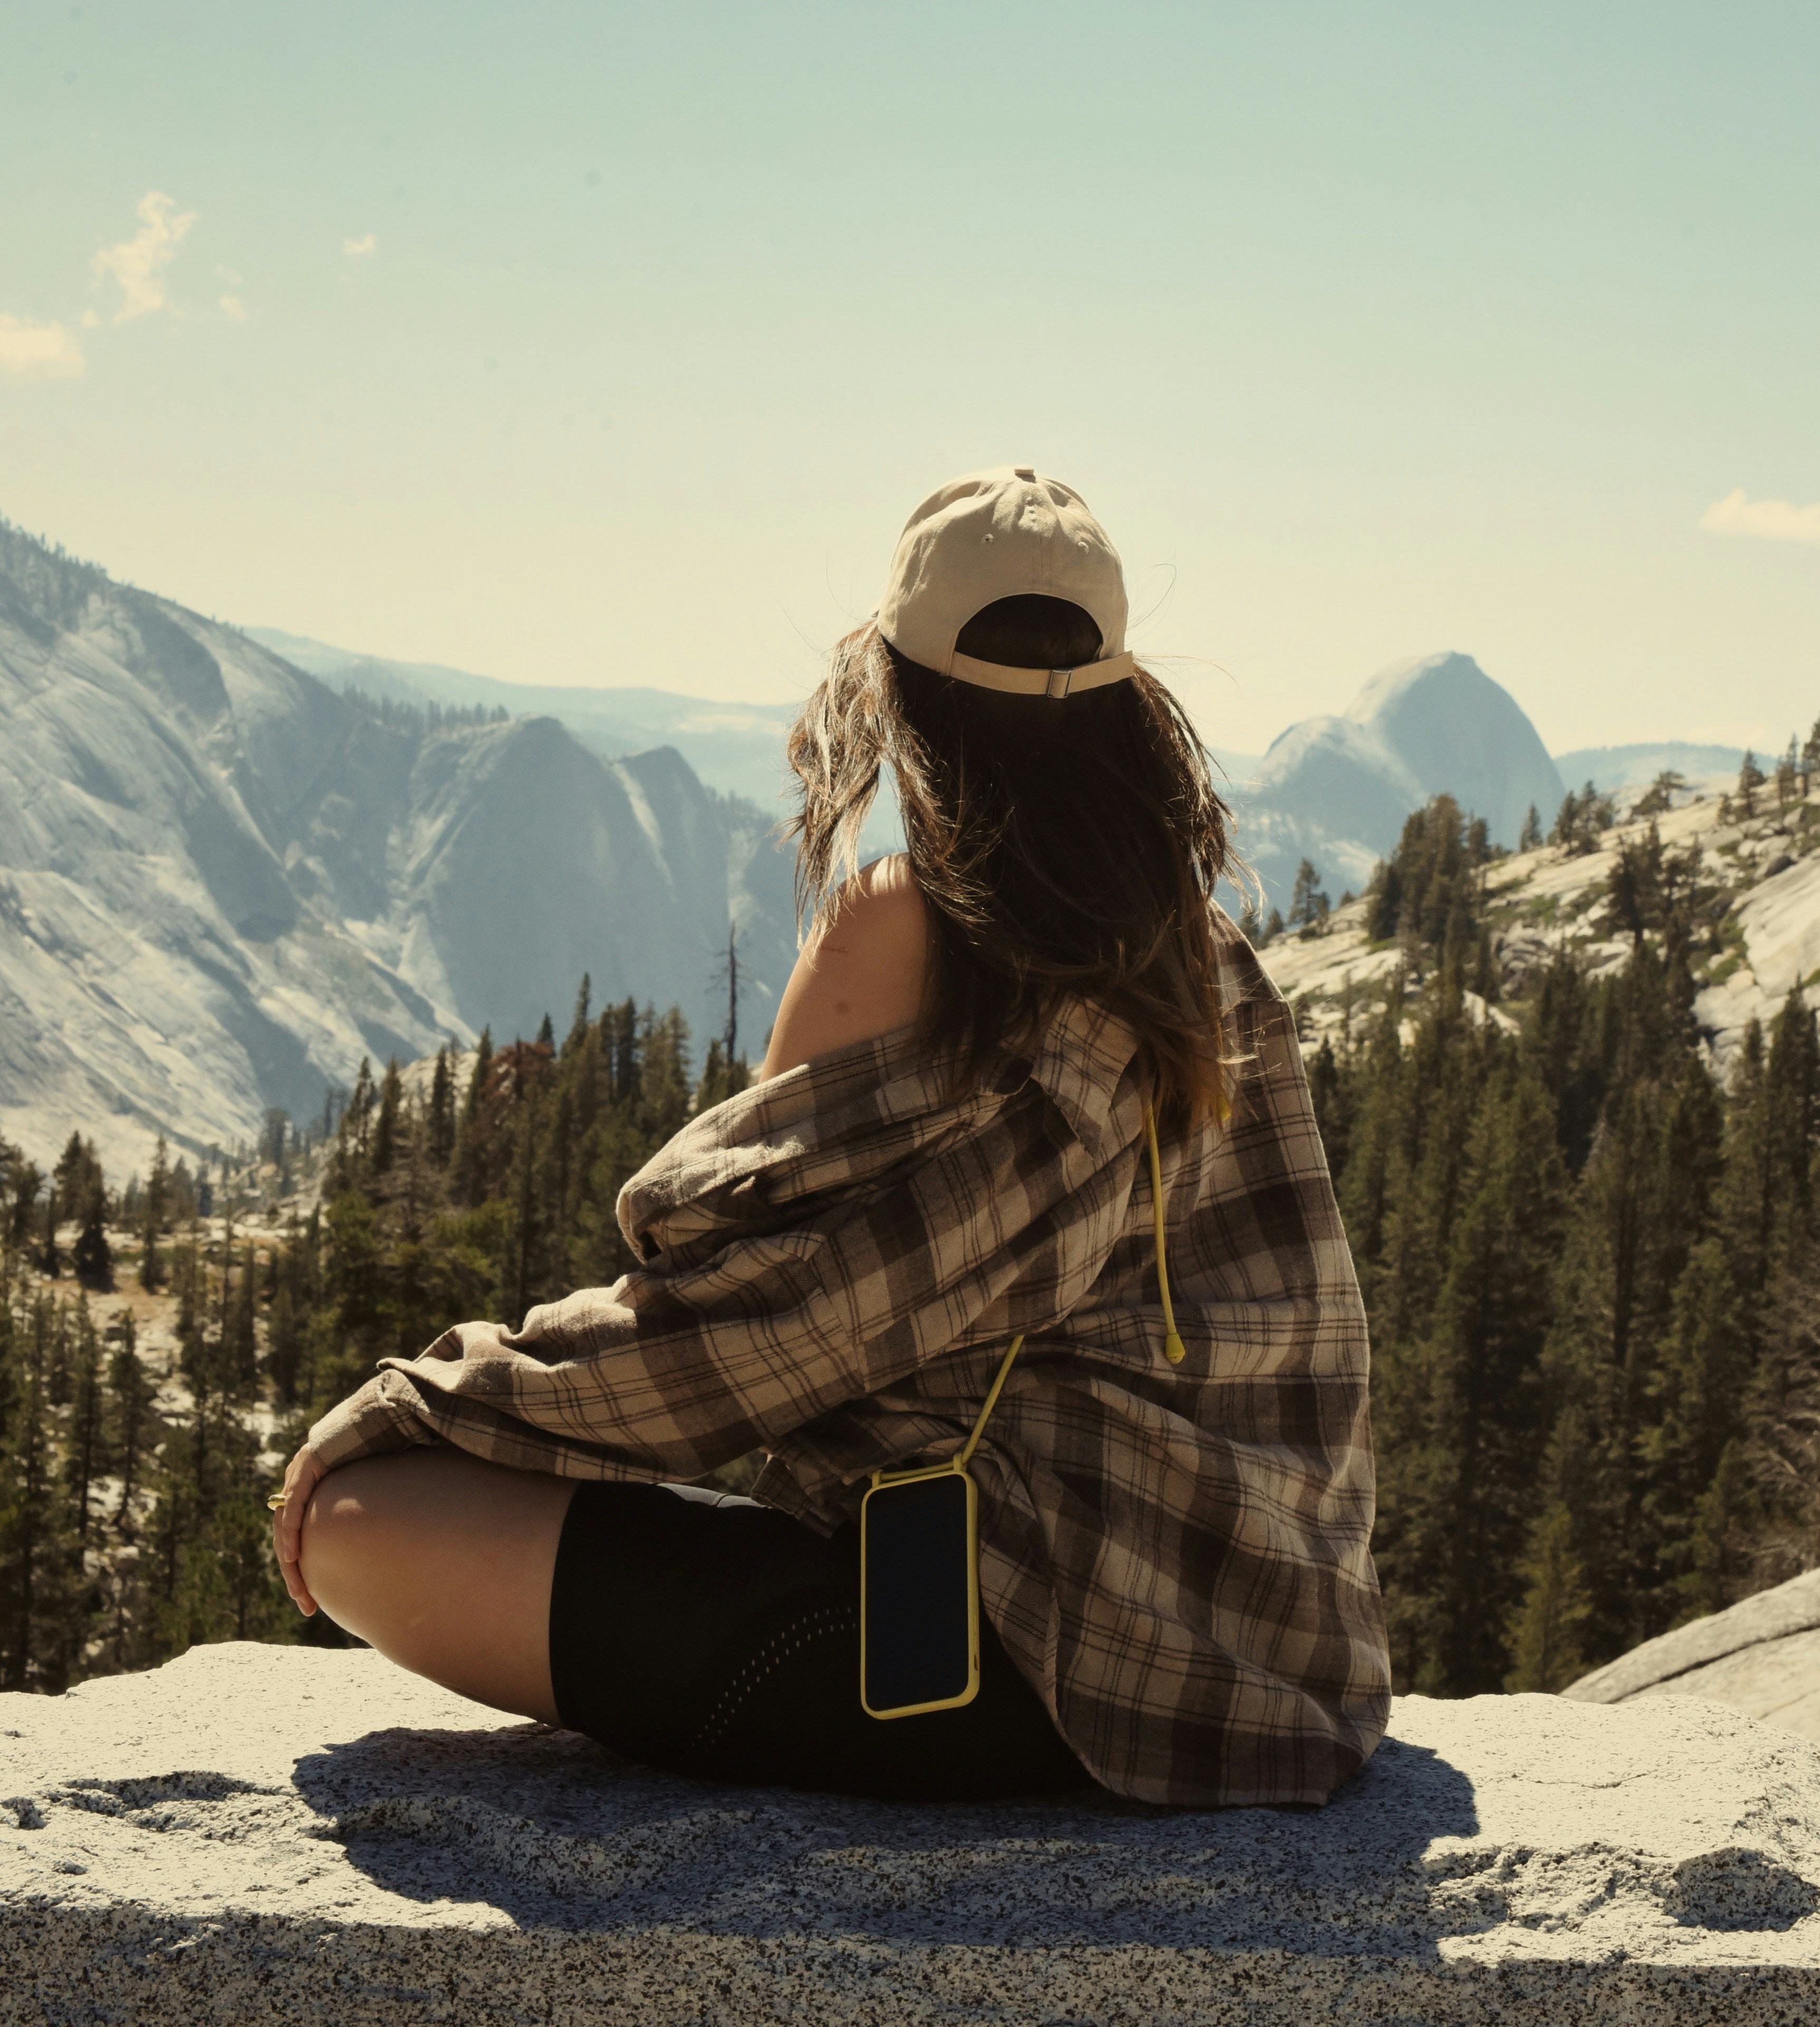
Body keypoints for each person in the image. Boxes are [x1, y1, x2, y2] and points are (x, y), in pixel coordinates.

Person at [273, 466, 1390, 1809]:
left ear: (897, 690)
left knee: (364, 1525)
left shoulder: (908, 927)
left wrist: (416, 1401)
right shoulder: (1203, 961)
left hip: (1018, 1667)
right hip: (1267, 1666)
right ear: (1122, 703)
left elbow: (751, 1338)